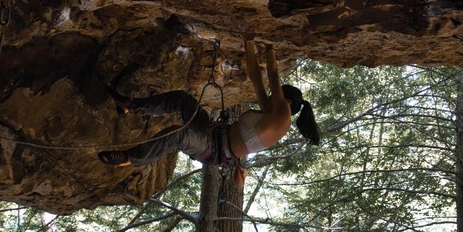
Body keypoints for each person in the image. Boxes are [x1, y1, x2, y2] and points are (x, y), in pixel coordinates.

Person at [97, 41, 320, 176]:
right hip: (211, 131)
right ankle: (130, 106)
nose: (271, 97)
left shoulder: (282, 118)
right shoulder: (270, 112)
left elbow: (272, 76)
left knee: (179, 134)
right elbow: (256, 77)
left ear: (287, 101)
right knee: (183, 100)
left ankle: (130, 158)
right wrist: (248, 41)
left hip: (213, 150)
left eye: (277, 95)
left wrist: (270, 47)